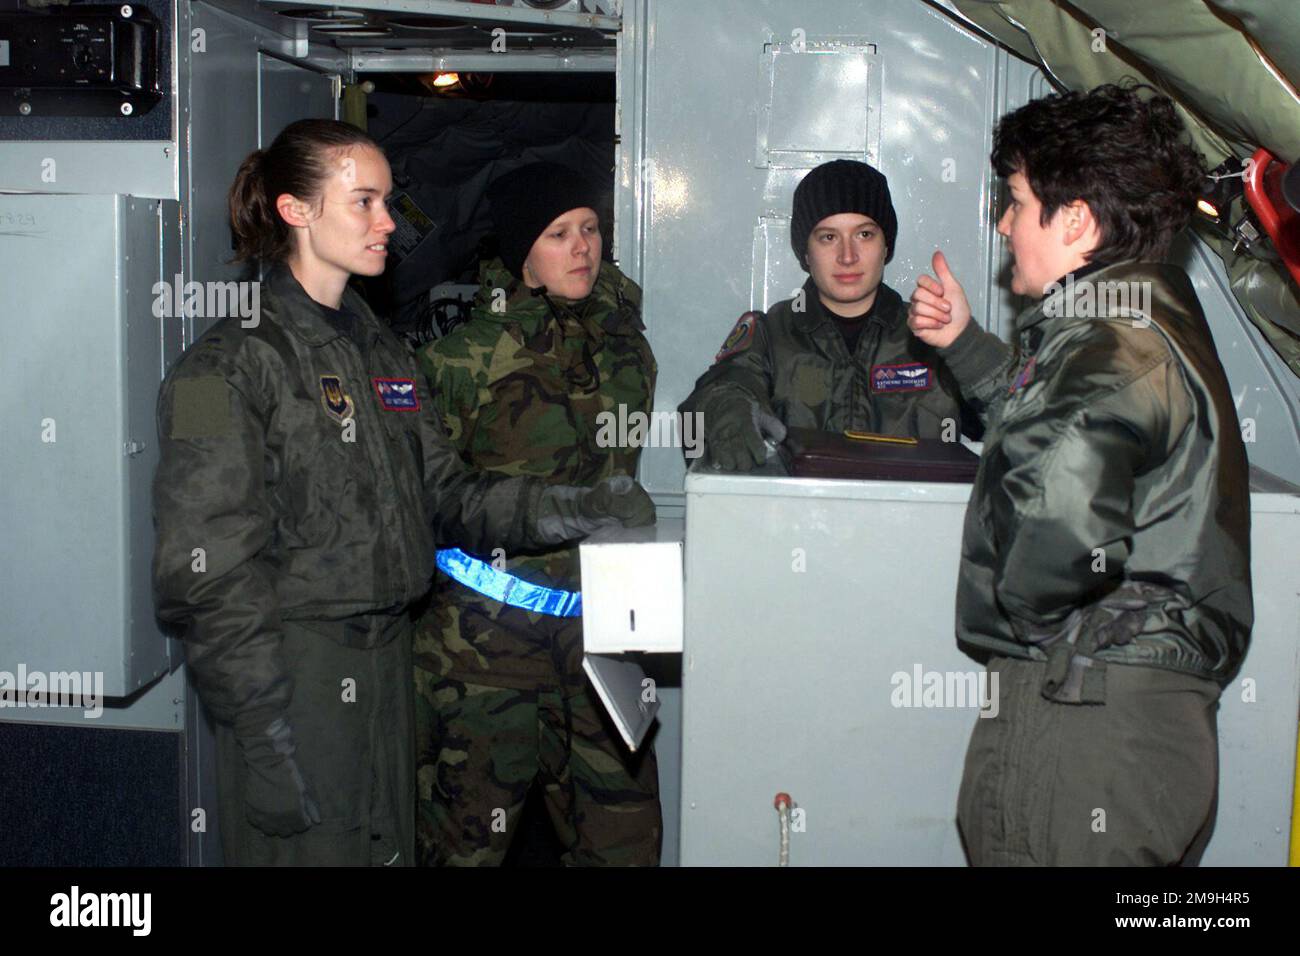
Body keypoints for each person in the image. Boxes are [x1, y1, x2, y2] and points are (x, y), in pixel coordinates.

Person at [152, 121, 654, 867]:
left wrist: (572, 509)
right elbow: (207, 576)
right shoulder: (221, 367)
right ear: (296, 211)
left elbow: (448, 493)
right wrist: (262, 736)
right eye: (364, 202)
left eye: (386, 201)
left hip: (389, 662)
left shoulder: (381, 351)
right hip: (298, 674)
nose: (388, 222)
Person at [908, 84, 1253, 866]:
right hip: (1142, 723)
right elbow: (1059, 427)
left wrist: (1024, 623)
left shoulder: (1103, 343)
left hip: (1080, 713)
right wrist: (965, 343)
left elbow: (1051, 517)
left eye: (1016, 201)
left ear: (1075, 220)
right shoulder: (1145, 316)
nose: (1003, 223)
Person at [412, 162, 662, 866]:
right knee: (470, 841)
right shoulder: (460, 360)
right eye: (558, 234)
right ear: (524, 257)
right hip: (488, 646)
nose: (581, 246)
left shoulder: (625, 344)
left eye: (590, 229)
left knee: (625, 832)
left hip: (603, 631)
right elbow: (436, 498)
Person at [679, 159, 969, 471]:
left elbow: (1015, 417)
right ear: (805, 252)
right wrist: (723, 408)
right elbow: (714, 395)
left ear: (886, 246)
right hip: (792, 518)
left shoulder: (933, 333)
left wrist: (967, 346)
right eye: (828, 237)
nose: (847, 256)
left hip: (914, 518)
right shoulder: (770, 335)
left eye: (865, 235)